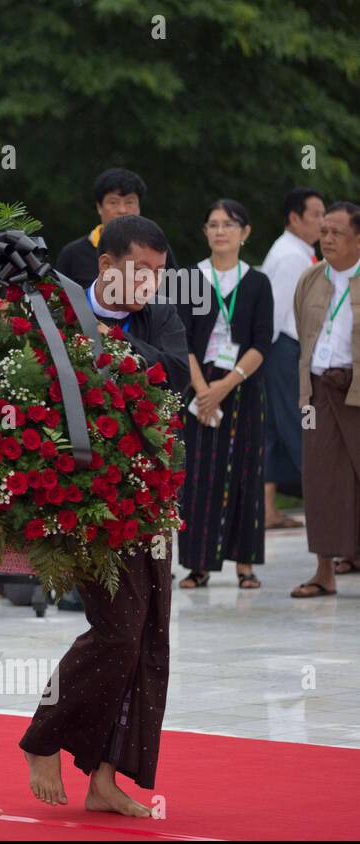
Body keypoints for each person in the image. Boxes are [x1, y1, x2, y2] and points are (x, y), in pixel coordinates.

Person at [21, 214, 191, 817]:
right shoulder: (57, 309)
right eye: (139, 271)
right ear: (105, 265)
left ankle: (105, 777)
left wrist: (104, 340)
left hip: (148, 493)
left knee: (149, 636)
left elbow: (174, 378)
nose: (149, 284)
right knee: (117, 627)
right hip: (80, 496)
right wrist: (97, 338)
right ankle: (43, 735)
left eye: (158, 273)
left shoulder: (159, 316)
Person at [177, 199, 273, 590]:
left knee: (246, 472)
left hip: (242, 383)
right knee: (198, 474)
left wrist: (224, 385)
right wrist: (203, 391)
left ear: (245, 232)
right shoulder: (189, 278)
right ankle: (197, 564)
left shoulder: (257, 282)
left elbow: (261, 342)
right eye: (213, 224)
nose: (220, 231)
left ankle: (245, 563)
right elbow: (180, 338)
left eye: (229, 224)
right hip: (197, 384)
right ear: (204, 231)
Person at [290, 201, 360, 598]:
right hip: (317, 393)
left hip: (356, 391)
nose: (327, 238)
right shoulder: (311, 278)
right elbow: (304, 332)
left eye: (337, 233)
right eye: (325, 230)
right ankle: (323, 571)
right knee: (320, 480)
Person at [260, 187, 325, 530]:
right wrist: (265, 356)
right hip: (283, 349)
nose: (321, 222)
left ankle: (269, 509)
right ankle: (323, 507)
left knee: (274, 428)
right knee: (301, 425)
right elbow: (277, 310)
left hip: (282, 350)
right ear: (294, 218)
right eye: (315, 215)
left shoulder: (295, 251)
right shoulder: (291, 257)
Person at [55, 168, 176, 290]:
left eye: (129, 202)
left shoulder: (157, 251)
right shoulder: (72, 254)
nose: (122, 210)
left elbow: (174, 294)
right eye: (113, 202)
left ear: (139, 206)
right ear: (99, 207)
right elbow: (57, 301)